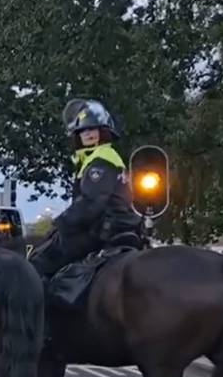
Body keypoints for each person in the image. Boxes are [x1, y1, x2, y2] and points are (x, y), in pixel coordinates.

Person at [29, 99, 142, 279]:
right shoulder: (102, 157)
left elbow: (91, 202)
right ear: (77, 135)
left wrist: (60, 223)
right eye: (83, 130)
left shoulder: (100, 159)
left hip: (101, 231)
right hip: (119, 227)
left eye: (93, 129)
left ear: (103, 131)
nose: (89, 133)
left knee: (37, 264)